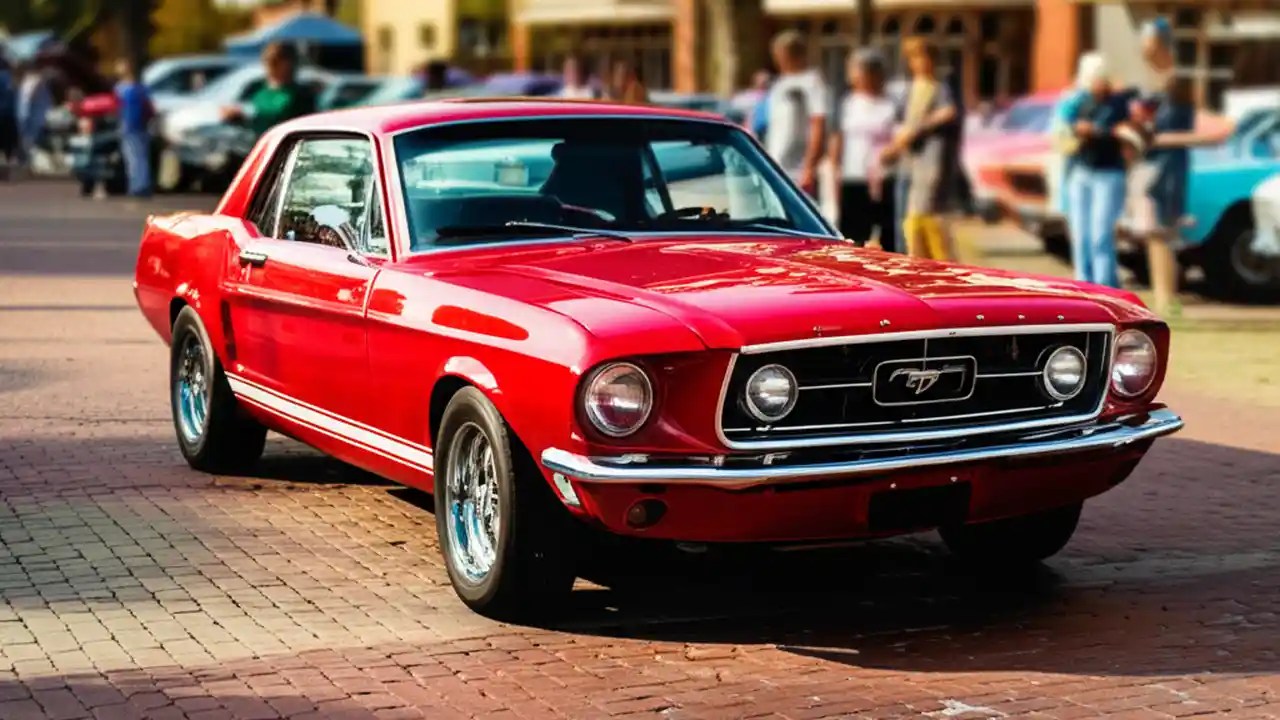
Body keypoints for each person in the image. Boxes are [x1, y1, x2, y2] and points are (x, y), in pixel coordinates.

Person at [880, 36, 957, 260]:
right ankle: (911, 260)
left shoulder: (940, 87)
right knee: (904, 217)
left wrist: (917, 129)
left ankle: (932, 264)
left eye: (923, 56)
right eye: (914, 57)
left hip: (929, 159)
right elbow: (899, 125)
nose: (919, 62)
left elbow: (948, 112)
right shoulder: (907, 90)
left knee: (923, 214)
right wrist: (895, 146)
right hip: (907, 161)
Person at [1062, 52, 1130, 288]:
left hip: (1108, 173)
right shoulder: (1079, 100)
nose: (1095, 85)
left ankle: (1105, 286)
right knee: (1080, 235)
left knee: (1100, 235)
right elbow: (1064, 121)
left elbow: (1112, 129)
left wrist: (1090, 129)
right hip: (1081, 171)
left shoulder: (1118, 102)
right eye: (1091, 80)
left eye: (1098, 79)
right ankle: (1083, 285)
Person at [829, 49, 896, 248]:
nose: (853, 76)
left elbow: (900, 138)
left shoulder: (890, 104)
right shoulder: (847, 103)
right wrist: (835, 169)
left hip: (885, 177)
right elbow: (837, 137)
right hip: (853, 175)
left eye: (857, 71)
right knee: (854, 235)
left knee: (887, 235)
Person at [764, 30, 829, 196]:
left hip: (798, 170)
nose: (778, 60)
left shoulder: (812, 82)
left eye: (782, 55)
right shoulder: (779, 84)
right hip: (776, 166)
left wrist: (809, 167)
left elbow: (818, 123)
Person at [223, 42, 316, 137]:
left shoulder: (301, 93)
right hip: (253, 142)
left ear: (291, 63)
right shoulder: (255, 86)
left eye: (277, 60)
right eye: (268, 61)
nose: (272, 66)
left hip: (281, 143)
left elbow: (306, 125)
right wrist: (232, 115)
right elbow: (240, 110)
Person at [114, 59, 154, 198]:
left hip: (130, 126)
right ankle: (141, 184)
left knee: (133, 158)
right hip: (140, 126)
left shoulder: (123, 89)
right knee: (140, 157)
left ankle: (137, 186)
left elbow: (120, 109)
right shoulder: (140, 88)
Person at [15, 63, 52, 171]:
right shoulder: (23, 83)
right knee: (25, 140)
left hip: (31, 117)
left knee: (30, 140)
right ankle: (26, 163)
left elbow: (44, 104)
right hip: (23, 116)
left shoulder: (40, 85)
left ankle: (28, 164)